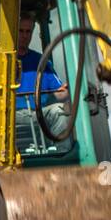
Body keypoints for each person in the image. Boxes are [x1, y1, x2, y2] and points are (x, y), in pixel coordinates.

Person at [14, 10, 71, 152]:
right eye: (21, 31)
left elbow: (58, 93)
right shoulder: (3, 60)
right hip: (12, 115)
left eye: (28, 31)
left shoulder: (41, 61)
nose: (25, 36)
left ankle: (62, 156)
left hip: (38, 113)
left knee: (59, 111)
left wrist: (71, 89)